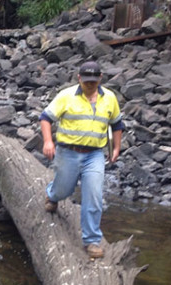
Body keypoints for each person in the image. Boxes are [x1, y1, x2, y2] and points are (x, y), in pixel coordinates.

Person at [39, 61, 125, 259]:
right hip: (68, 151)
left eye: (93, 81)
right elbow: (46, 118)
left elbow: (117, 124)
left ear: (100, 78)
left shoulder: (109, 98)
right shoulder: (66, 96)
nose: (90, 84)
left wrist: (116, 148)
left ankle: (92, 240)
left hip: (95, 154)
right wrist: (48, 141)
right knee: (64, 190)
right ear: (79, 78)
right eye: (86, 81)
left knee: (94, 194)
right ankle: (52, 195)